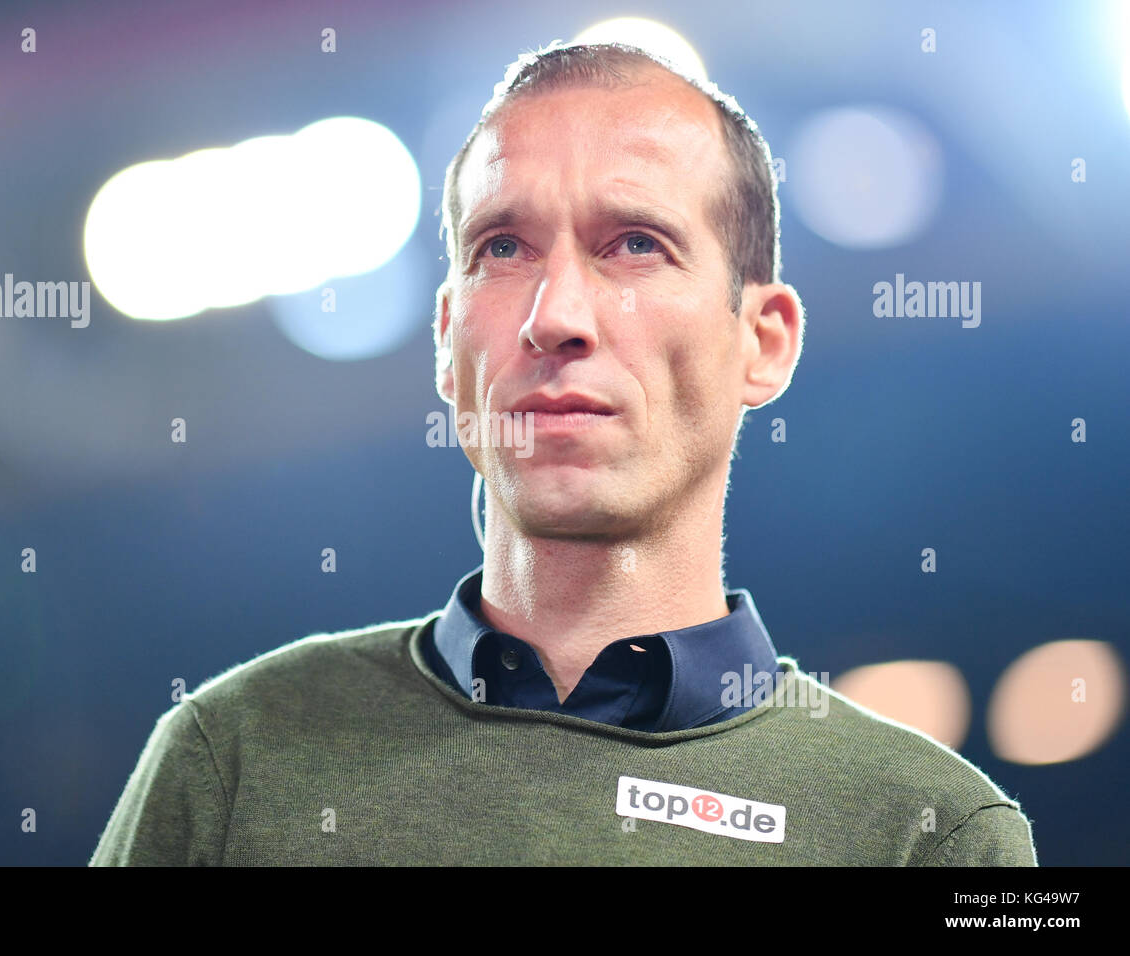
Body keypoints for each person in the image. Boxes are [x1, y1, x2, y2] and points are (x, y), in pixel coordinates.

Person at [90, 40, 1037, 865]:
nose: (556, 318)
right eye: (504, 249)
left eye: (633, 243)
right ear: (448, 344)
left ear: (764, 340)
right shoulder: (235, 757)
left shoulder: (927, 834)